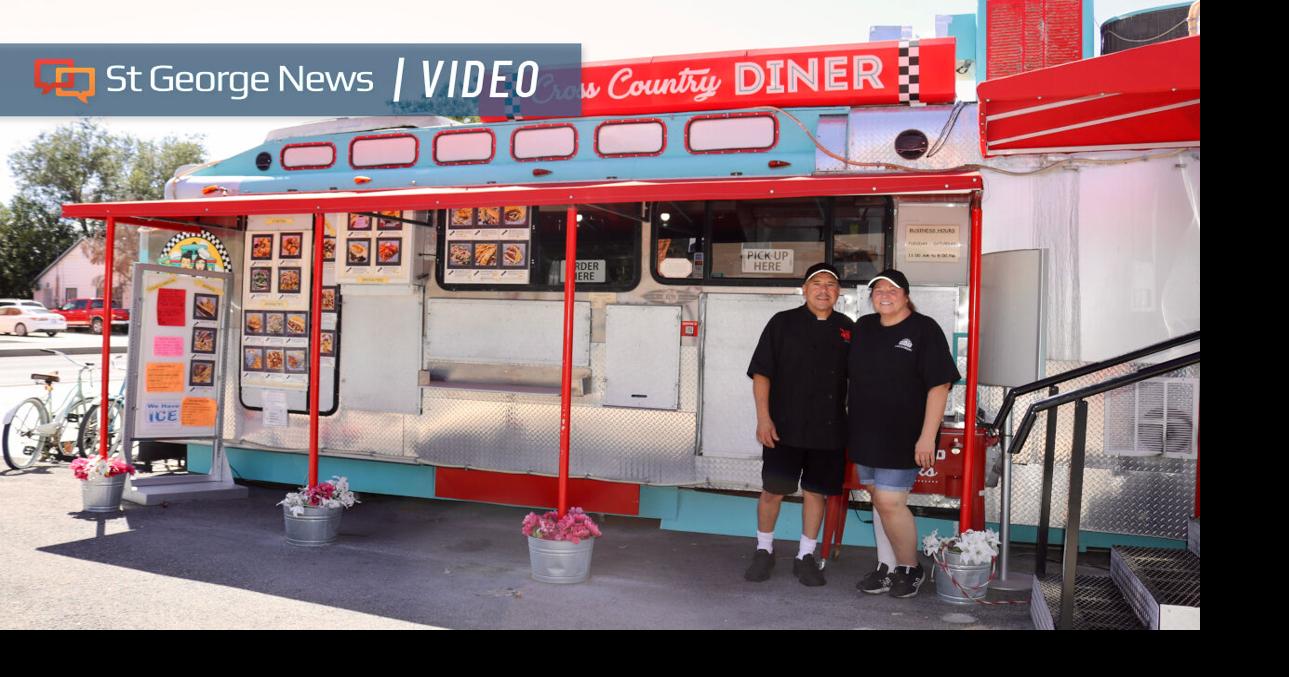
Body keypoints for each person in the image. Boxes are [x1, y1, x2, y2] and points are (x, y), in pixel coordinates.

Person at [847, 269, 960, 598]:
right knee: (879, 502)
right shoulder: (865, 327)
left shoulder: (923, 329)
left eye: (892, 289)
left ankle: (910, 567)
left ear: (906, 295)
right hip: (865, 432)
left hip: (904, 435)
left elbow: (939, 385)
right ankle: (887, 566)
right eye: (877, 289)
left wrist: (927, 437)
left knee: (890, 500)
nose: (884, 294)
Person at [744, 262, 854, 586]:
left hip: (829, 429)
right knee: (772, 491)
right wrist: (763, 418)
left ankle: (806, 555)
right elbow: (762, 373)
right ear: (804, 290)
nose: (824, 290)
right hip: (783, 427)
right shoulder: (782, 323)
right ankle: (764, 550)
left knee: (816, 493)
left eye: (830, 285)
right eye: (816, 284)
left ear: (839, 293)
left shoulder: (848, 329)